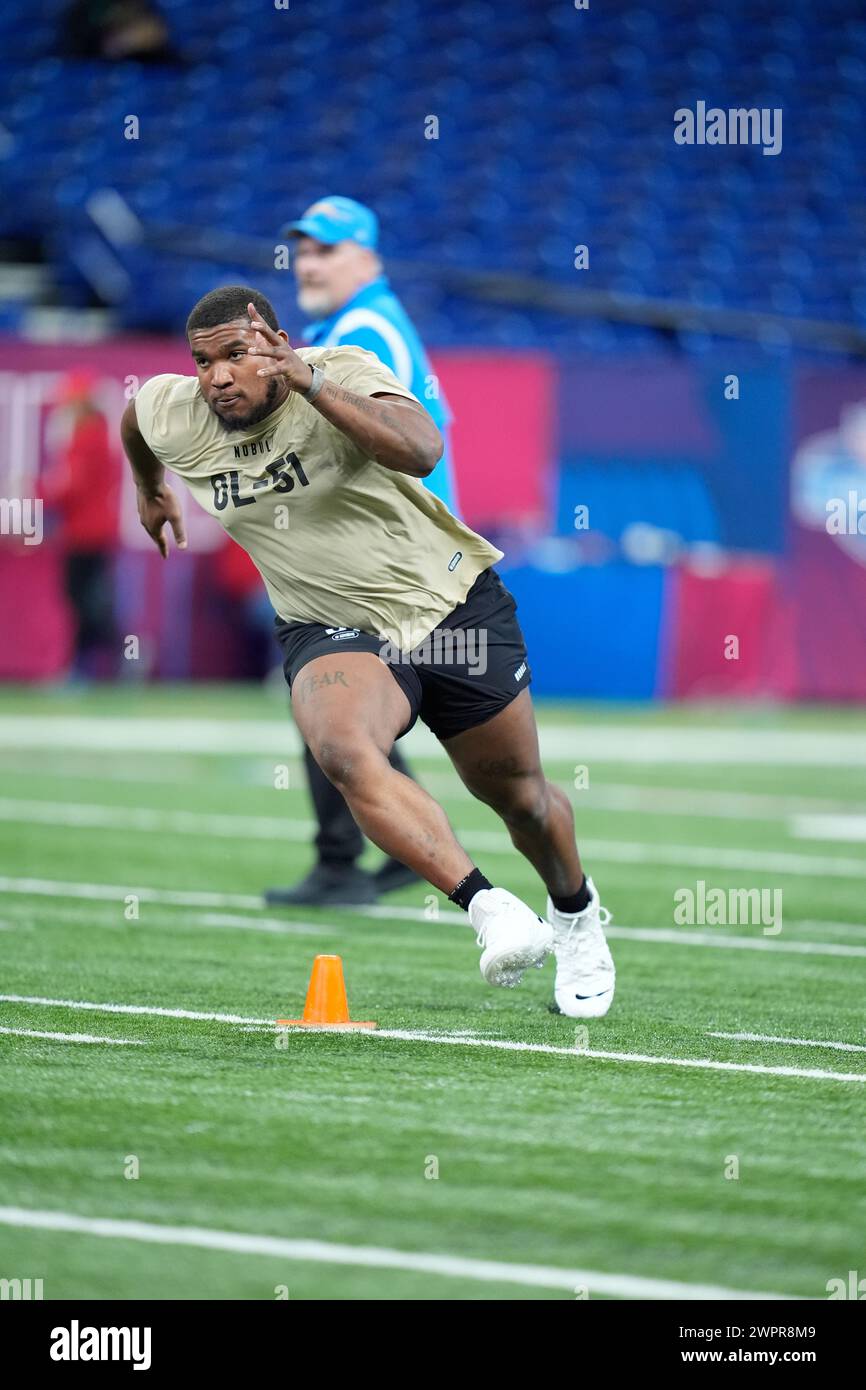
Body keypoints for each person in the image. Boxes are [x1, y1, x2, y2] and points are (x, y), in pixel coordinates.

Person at [119, 285, 615, 1018]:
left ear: (274, 343)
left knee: (519, 798)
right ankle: (489, 909)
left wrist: (312, 384)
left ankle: (575, 916)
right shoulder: (177, 410)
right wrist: (150, 486)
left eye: (235, 354)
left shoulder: (338, 366)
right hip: (329, 624)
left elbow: (422, 448)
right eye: (203, 361)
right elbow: (136, 419)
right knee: (344, 750)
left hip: (449, 605)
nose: (218, 376)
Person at [267, 195, 455, 907]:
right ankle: (378, 848)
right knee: (333, 698)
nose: (308, 262)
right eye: (304, 250)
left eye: (327, 250)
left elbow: (401, 438)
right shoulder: (350, 325)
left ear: (369, 260)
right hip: (384, 551)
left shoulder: (366, 327)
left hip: (389, 553)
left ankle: (345, 862)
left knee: (325, 688)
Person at [42, 370, 120, 679]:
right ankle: (88, 664)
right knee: (86, 600)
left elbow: (71, 487)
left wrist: (41, 490)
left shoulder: (87, 437)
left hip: (86, 533)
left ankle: (87, 664)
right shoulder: (96, 434)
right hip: (90, 530)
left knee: (83, 601)